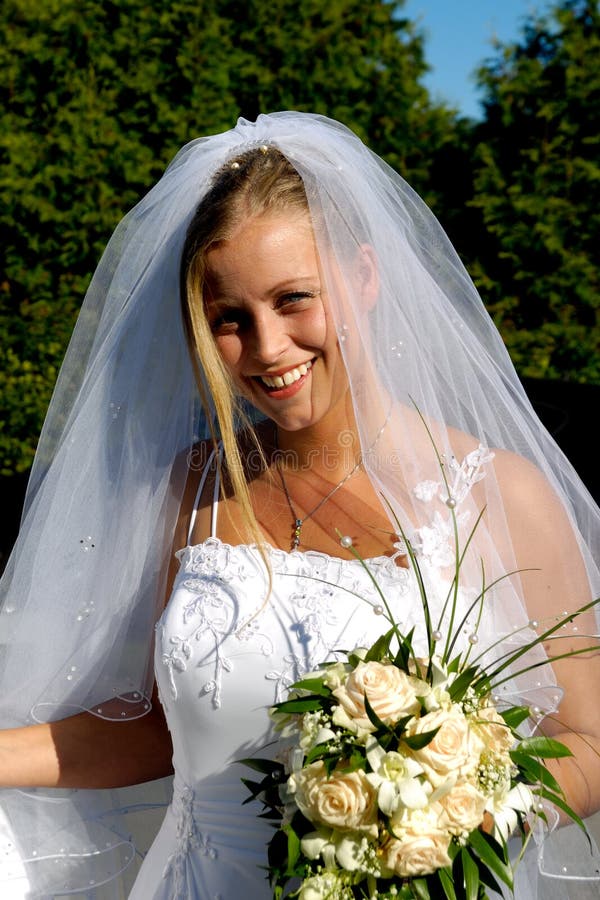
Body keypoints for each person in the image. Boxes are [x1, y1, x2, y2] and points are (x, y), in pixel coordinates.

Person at [0, 112, 599, 900]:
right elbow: (161, 732)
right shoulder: (193, 488)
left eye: (294, 299)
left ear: (366, 277)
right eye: (230, 320)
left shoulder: (500, 493)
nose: (270, 347)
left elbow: (589, 738)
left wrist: (459, 807)